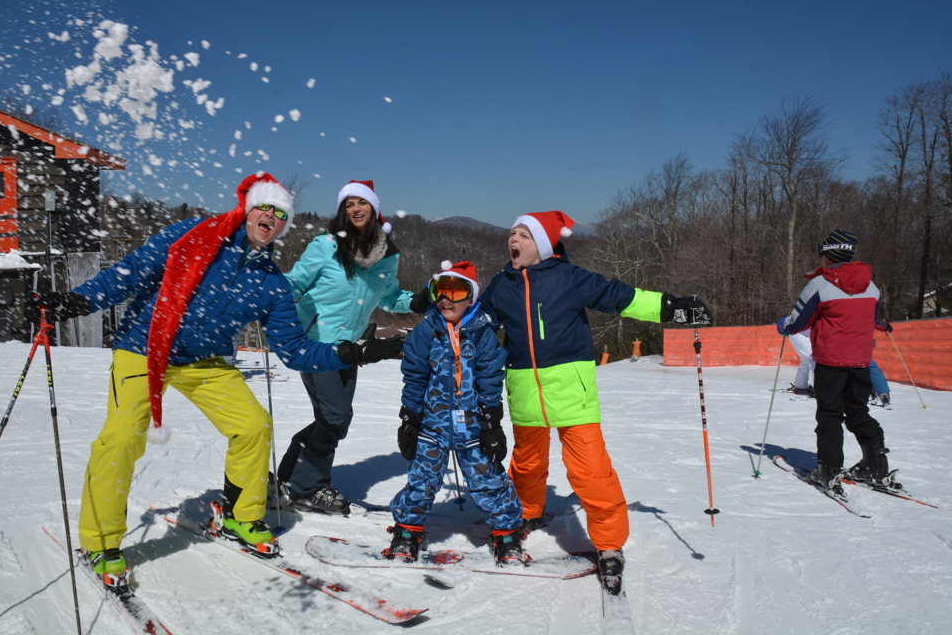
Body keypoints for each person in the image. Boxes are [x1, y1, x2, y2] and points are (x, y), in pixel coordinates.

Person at [34, 173, 400, 584]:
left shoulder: (271, 284)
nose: (271, 217)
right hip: (145, 345)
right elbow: (132, 272)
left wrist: (352, 352)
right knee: (122, 436)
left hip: (205, 361)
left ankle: (240, 517)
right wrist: (77, 300)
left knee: (253, 425)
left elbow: (295, 349)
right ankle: (100, 541)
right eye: (265, 208)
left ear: (283, 227)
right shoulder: (195, 237)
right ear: (248, 210)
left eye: (280, 214)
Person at [479, 210, 711, 596]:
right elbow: (477, 321)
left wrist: (669, 307)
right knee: (527, 464)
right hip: (524, 392)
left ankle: (609, 543)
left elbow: (621, 296)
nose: (513, 240)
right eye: (512, 233)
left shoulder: (570, 278)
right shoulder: (501, 285)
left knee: (591, 472)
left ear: (543, 245)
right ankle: (526, 514)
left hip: (573, 393)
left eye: (523, 234)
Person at [278, 180, 426, 515]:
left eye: (362, 203)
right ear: (343, 212)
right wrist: (269, 292)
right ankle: (306, 488)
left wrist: (418, 301)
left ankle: (289, 475)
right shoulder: (326, 246)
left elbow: (389, 297)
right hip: (316, 343)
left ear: (374, 208)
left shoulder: (386, 255)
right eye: (349, 204)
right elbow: (294, 282)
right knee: (334, 416)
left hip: (352, 347)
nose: (356, 209)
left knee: (336, 419)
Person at [387, 261, 526, 565]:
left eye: (456, 292)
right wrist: (409, 418)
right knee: (422, 481)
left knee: (488, 481)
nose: (445, 300)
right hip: (431, 427)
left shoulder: (483, 335)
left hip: (473, 427)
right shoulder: (426, 331)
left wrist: (491, 423)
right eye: (439, 291)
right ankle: (408, 529)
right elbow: (415, 377)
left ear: (471, 297)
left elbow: (490, 379)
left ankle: (507, 532)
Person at [776, 229, 895, 492]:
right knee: (858, 412)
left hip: (830, 361)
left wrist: (784, 325)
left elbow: (799, 321)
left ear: (827, 254)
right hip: (861, 362)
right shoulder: (871, 286)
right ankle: (876, 463)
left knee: (829, 414)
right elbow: (875, 318)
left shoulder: (820, 284)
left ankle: (828, 469)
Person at [788, 327, 815, 396]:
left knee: (807, 359)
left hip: (804, 333)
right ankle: (821, 388)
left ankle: (801, 386)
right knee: (814, 359)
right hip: (800, 333)